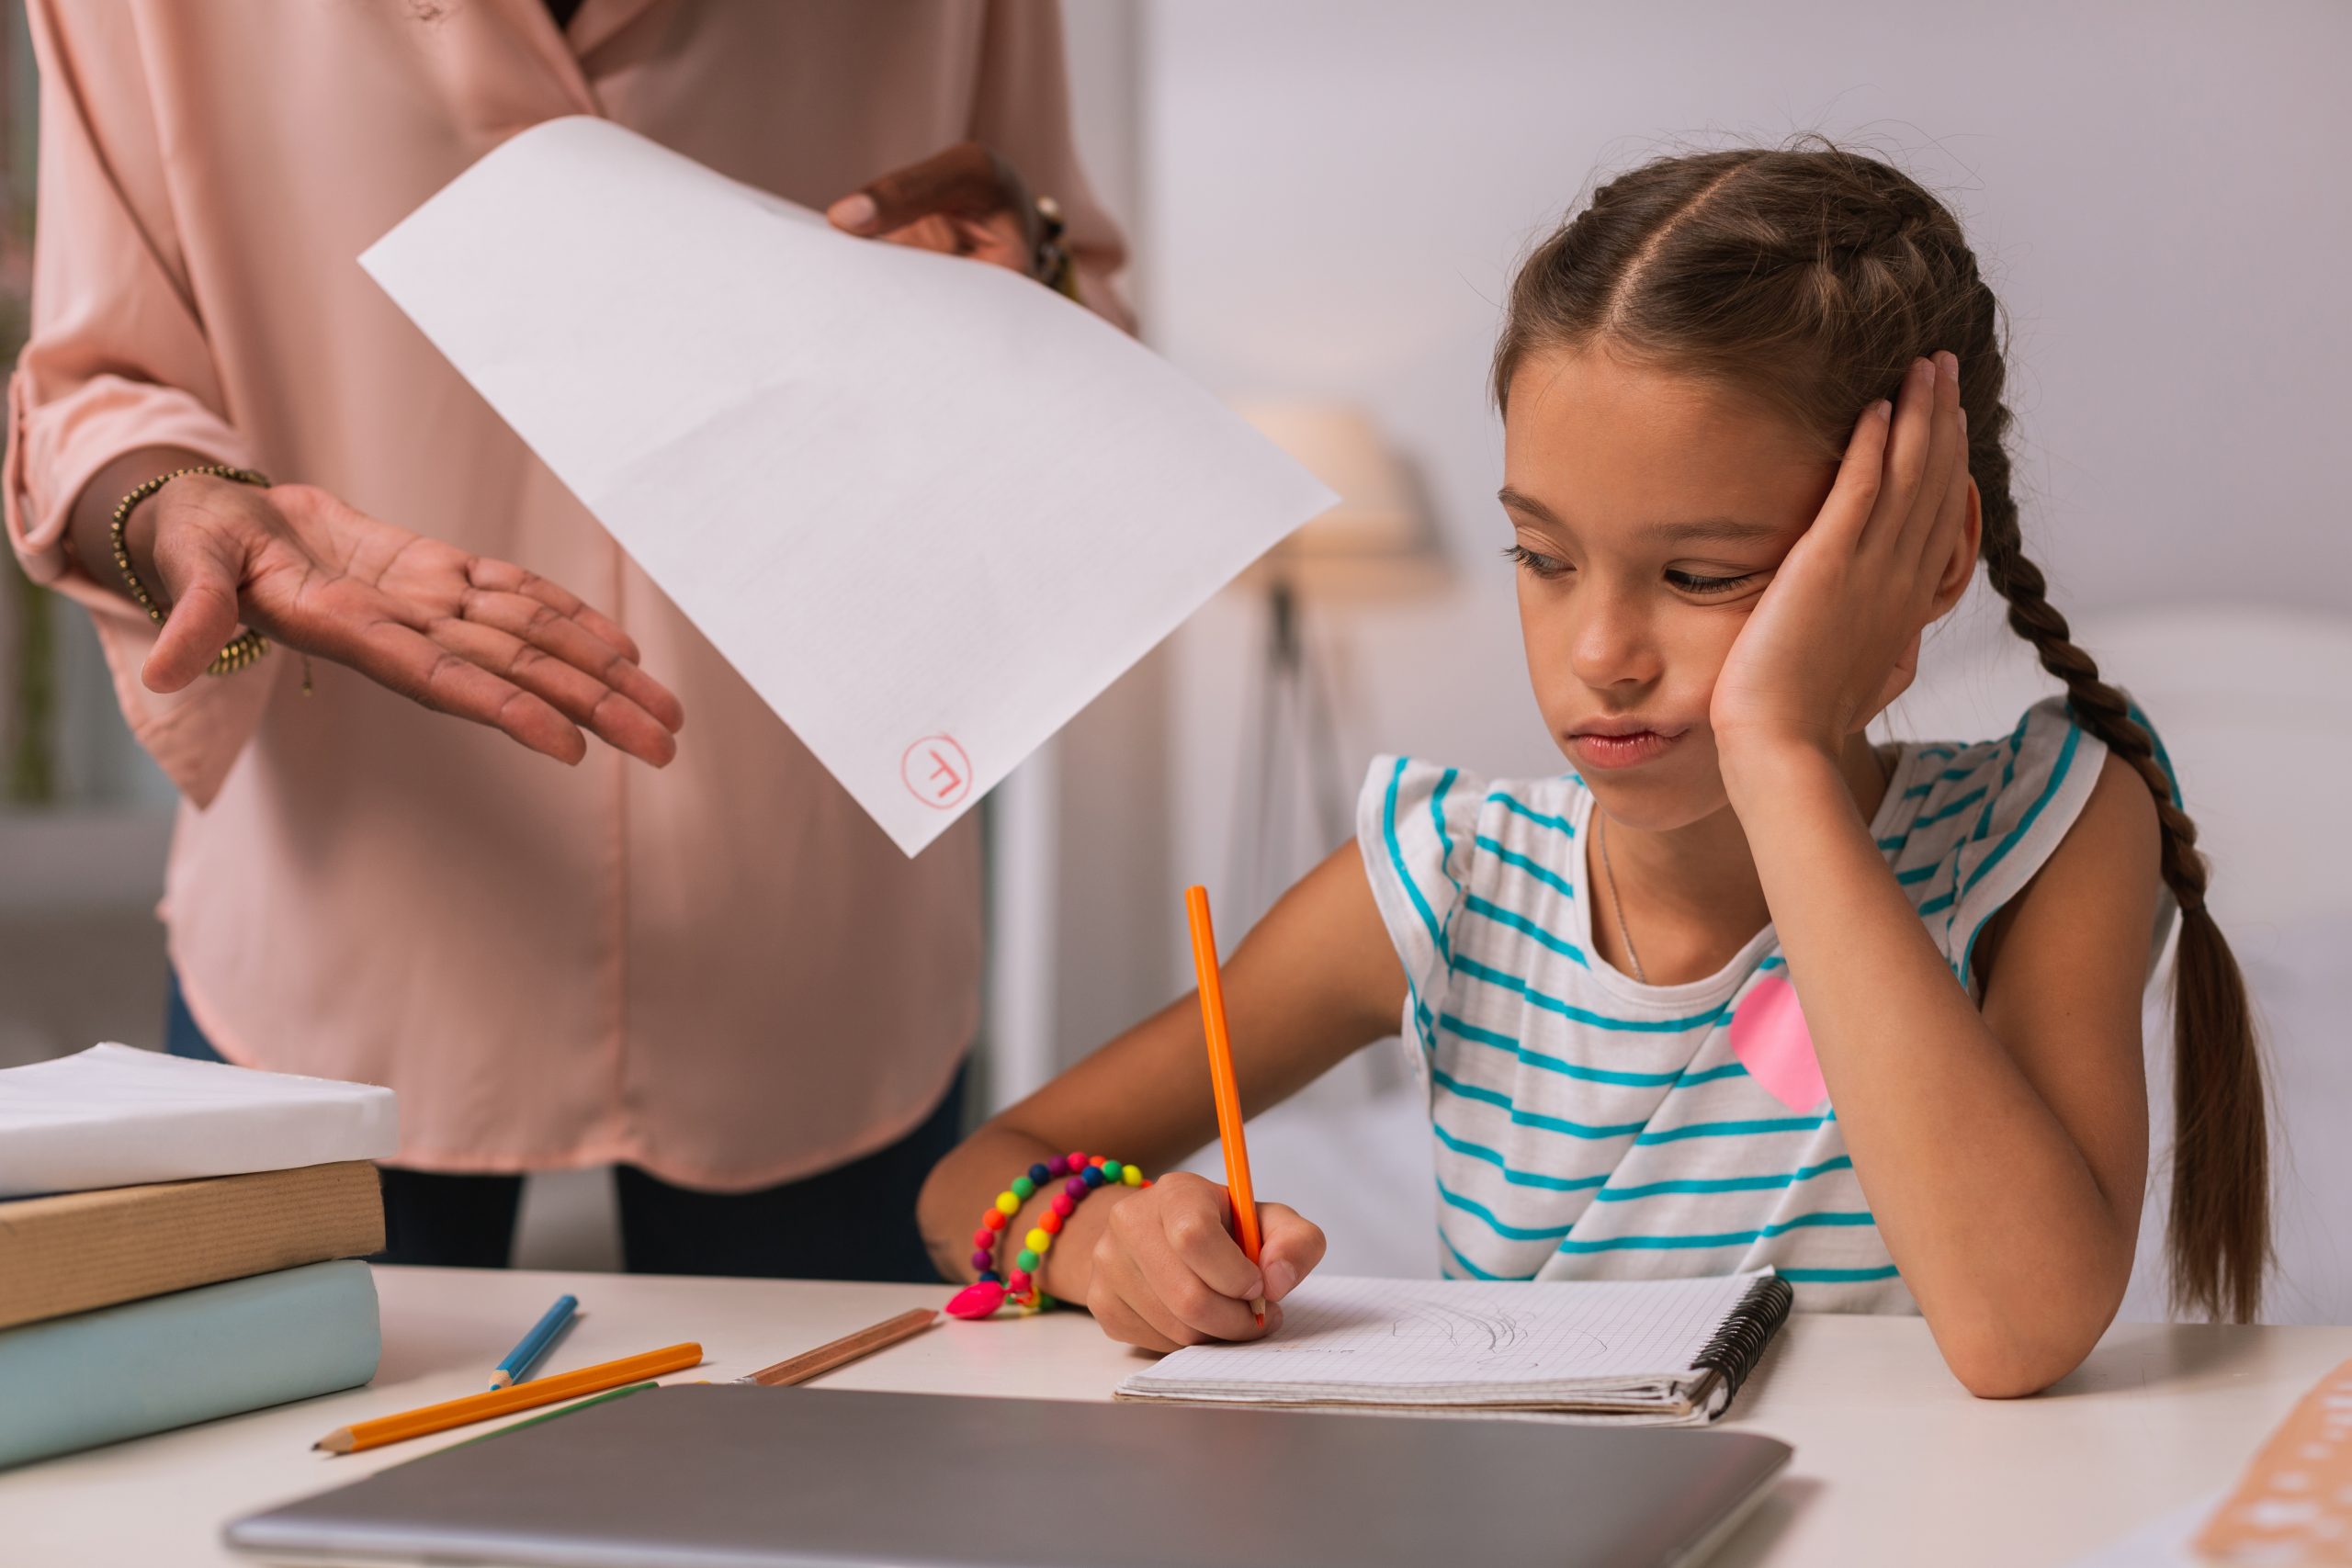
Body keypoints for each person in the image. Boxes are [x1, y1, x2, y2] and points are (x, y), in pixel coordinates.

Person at [919, 144, 2269, 1396]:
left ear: (1927, 550)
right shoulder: (1448, 882)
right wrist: (1105, 1248)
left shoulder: (2049, 828)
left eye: (1703, 575)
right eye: (1545, 560)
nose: (1603, 652)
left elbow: (2019, 1329)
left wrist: (1781, 751)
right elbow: (976, 1174)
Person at [6, 0, 1125, 1278]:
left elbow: (1076, 286)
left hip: (813, 935)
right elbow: (90, 387)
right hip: (348, 927)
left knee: (828, 1474)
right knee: (281, 1474)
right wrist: (176, 513)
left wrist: (1024, 287)